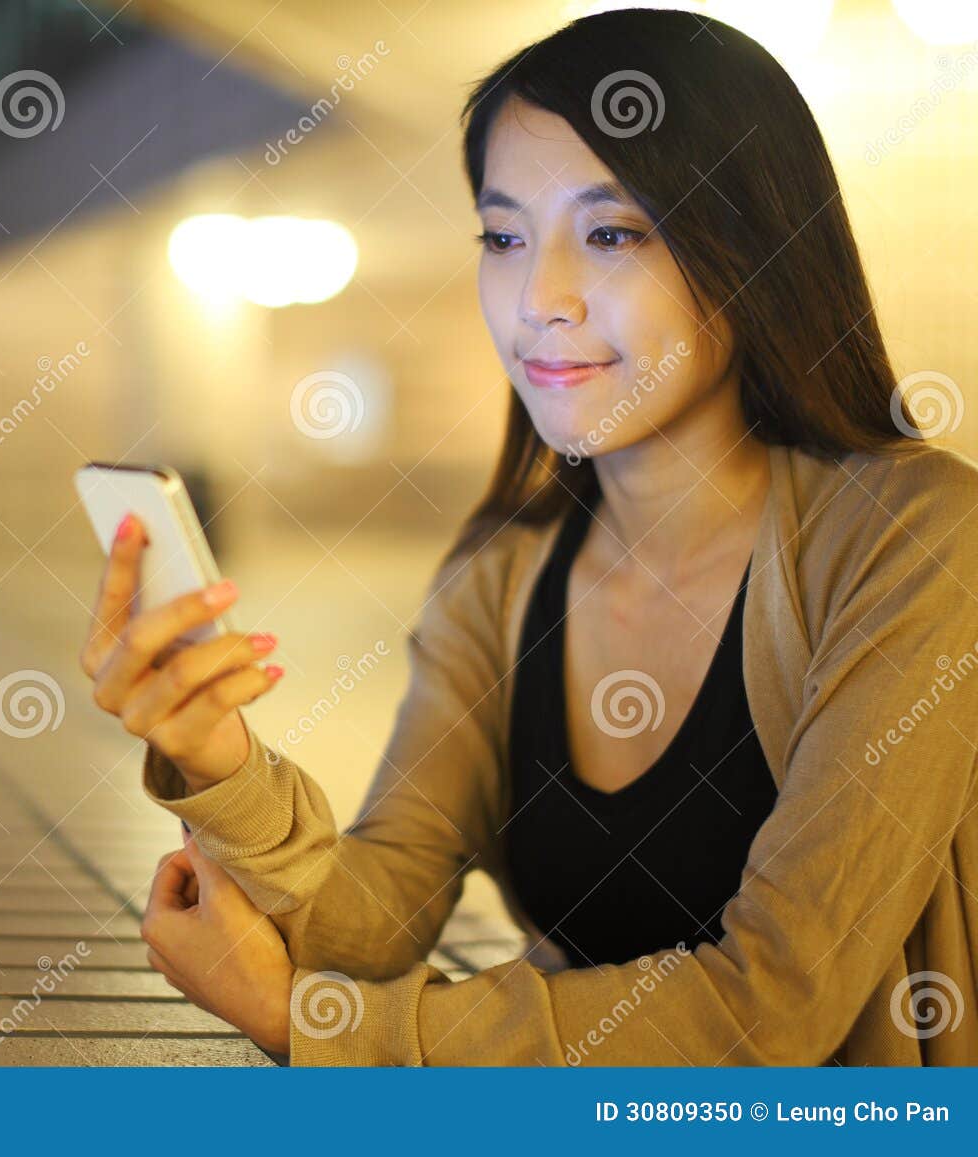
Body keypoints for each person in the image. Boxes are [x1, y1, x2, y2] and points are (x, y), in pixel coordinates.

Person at [78, 7, 978, 1065]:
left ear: (751, 247)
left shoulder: (912, 539)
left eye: (610, 232)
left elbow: (770, 1005)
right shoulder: (501, 574)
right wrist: (216, 753)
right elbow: (370, 924)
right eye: (503, 237)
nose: (536, 298)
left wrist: (306, 1021)